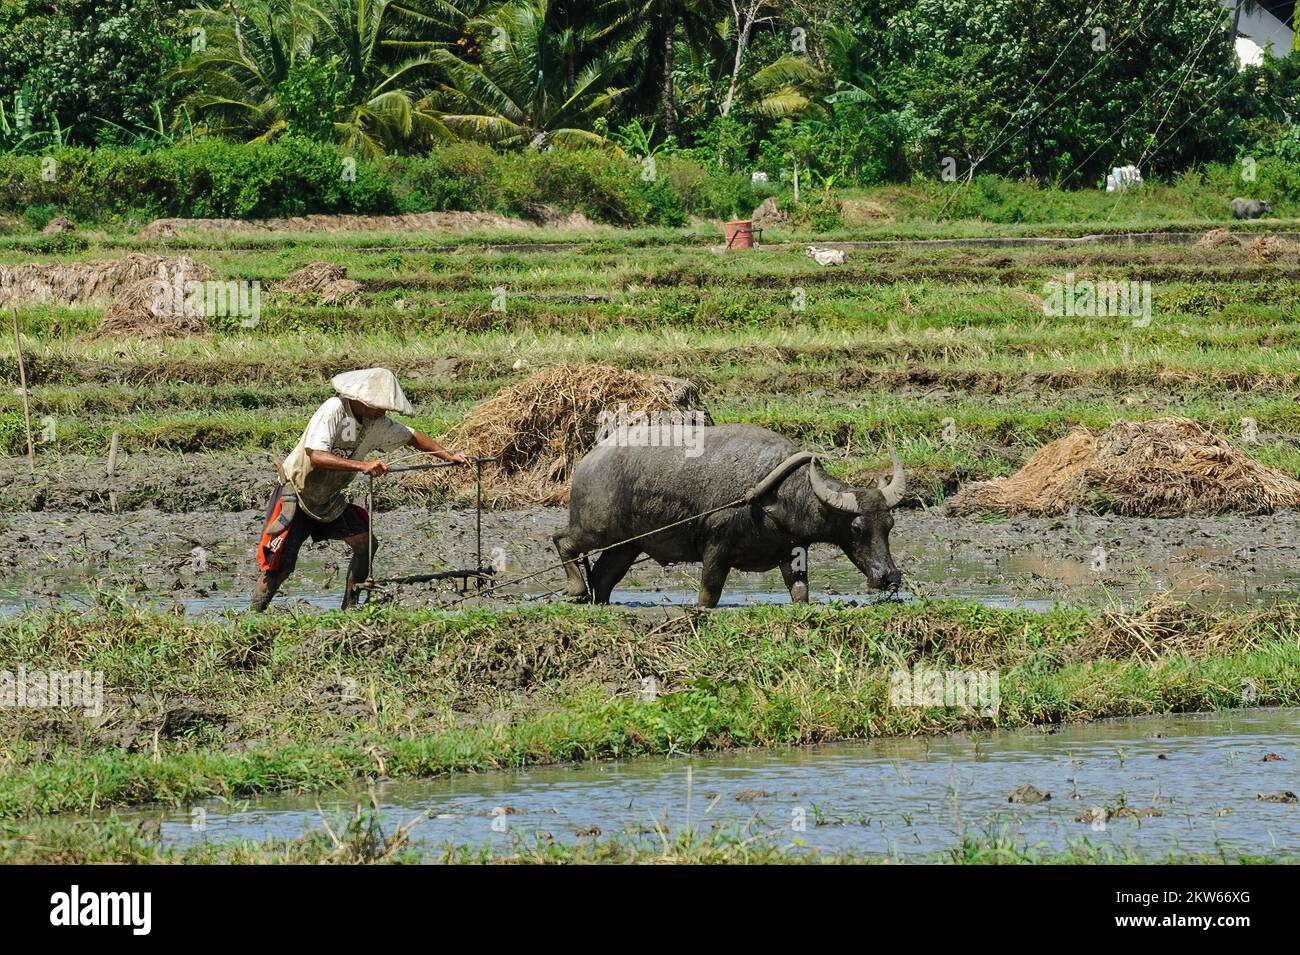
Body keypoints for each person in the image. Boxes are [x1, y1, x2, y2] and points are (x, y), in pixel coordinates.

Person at [252, 368, 467, 610]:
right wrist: (363, 465)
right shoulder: (334, 409)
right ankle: (255, 615)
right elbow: (317, 456)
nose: (382, 412)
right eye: (378, 405)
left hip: (328, 500)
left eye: (385, 407)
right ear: (361, 399)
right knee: (280, 567)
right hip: (297, 494)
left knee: (366, 544)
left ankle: (350, 607)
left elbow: (412, 437)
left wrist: (449, 456)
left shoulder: (377, 423)